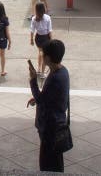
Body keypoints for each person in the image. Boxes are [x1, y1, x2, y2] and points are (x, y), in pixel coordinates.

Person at [28, 39, 70, 173]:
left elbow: (42, 99)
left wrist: (33, 80)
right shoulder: (62, 71)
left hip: (50, 127)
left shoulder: (55, 77)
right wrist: (38, 98)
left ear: (48, 57)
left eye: (43, 54)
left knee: (47, 165)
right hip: (57, 123)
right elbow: (52, 96)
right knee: (56, 161)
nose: (42, 56)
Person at [30, 2, 53, 76]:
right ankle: (43, 72)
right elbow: (50, 30)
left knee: (40, 53)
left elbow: (32, 30)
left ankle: (39, 69)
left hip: (38, 38)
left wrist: (31, 39)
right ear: (44, 9)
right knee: (45, 55)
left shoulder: (34, 18)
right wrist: (51, 40)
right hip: (46, 38)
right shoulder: (47, 18)